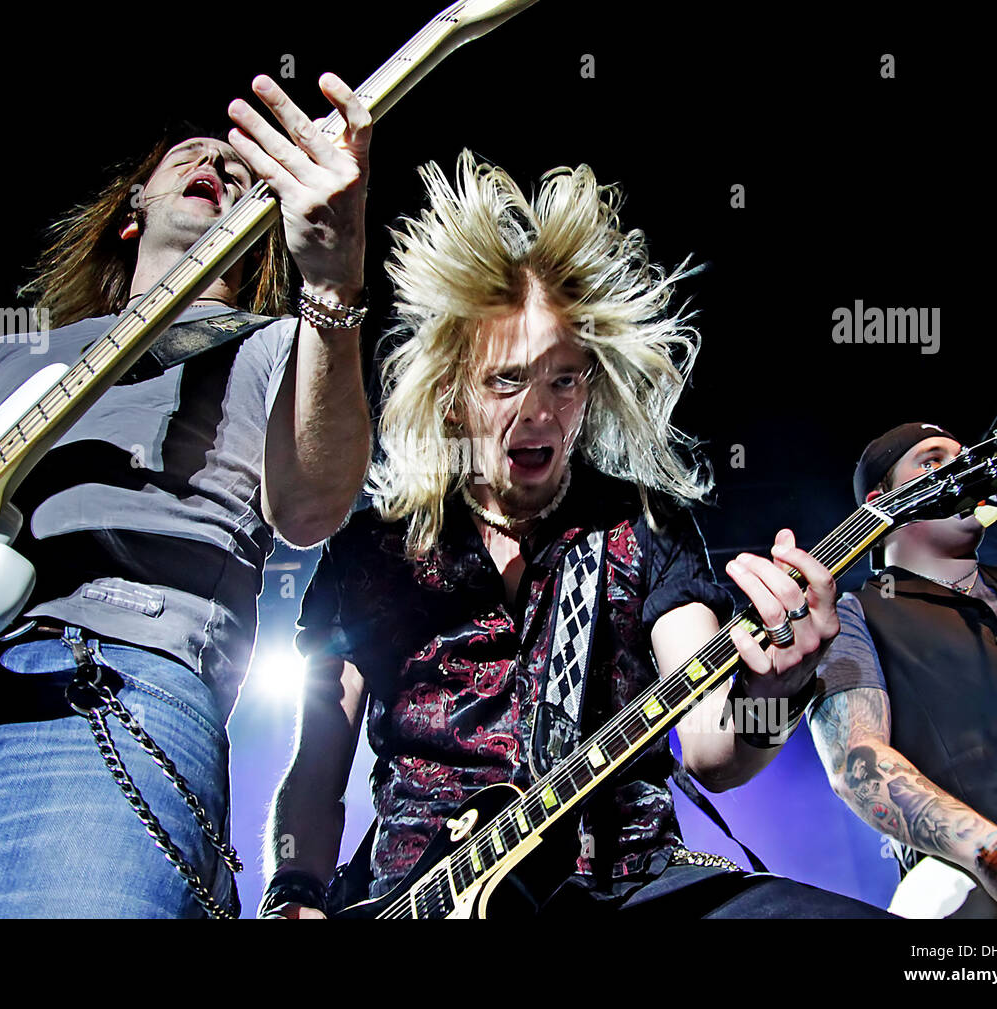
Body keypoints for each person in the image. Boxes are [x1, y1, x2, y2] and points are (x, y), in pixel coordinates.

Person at [0, 71, 373, 918]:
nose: (216, 157)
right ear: (135, 205)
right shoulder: (6, 359)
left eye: (240, 167)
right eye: (189, 154)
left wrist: (333, 285)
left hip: (104, 684)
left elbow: (313, 507)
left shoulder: (279, 343)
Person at [259, 152, 891, 919]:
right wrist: (291, 893)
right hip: (417, 897)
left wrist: (777, 688)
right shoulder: (372, 552)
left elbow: (715, 752)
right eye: (506, 379)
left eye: (564, 379)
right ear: (454, 394)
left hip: (624, 882)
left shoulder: (643, 527)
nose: (538, 411)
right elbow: (316, 769)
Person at [808, 423, 997, 918]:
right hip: (979, 903)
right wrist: (994, 852)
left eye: (965, 457)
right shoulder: (851, 617)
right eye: (932, 461)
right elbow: (856, 762)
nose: (964, 470)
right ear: (883, 500)